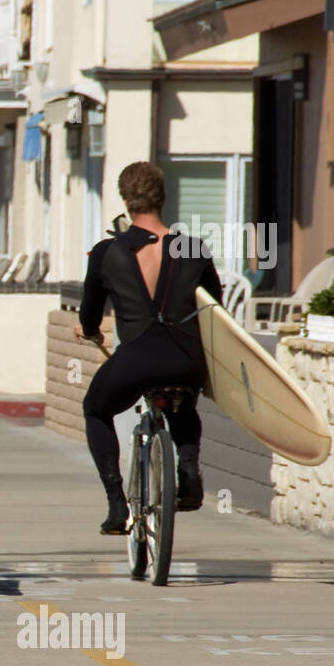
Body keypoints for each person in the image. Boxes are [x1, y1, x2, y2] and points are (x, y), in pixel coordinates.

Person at [74, 161, 224, 535]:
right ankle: (187, 470)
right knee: (184, 407)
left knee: (94, 409)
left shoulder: (107, 252)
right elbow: (216, 312)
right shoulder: (194, 249)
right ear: (164, 198)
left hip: (136, 360)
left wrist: (88, 330)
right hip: (185, 360)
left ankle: (116, 507)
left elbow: (90, 313)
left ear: (126, 201)